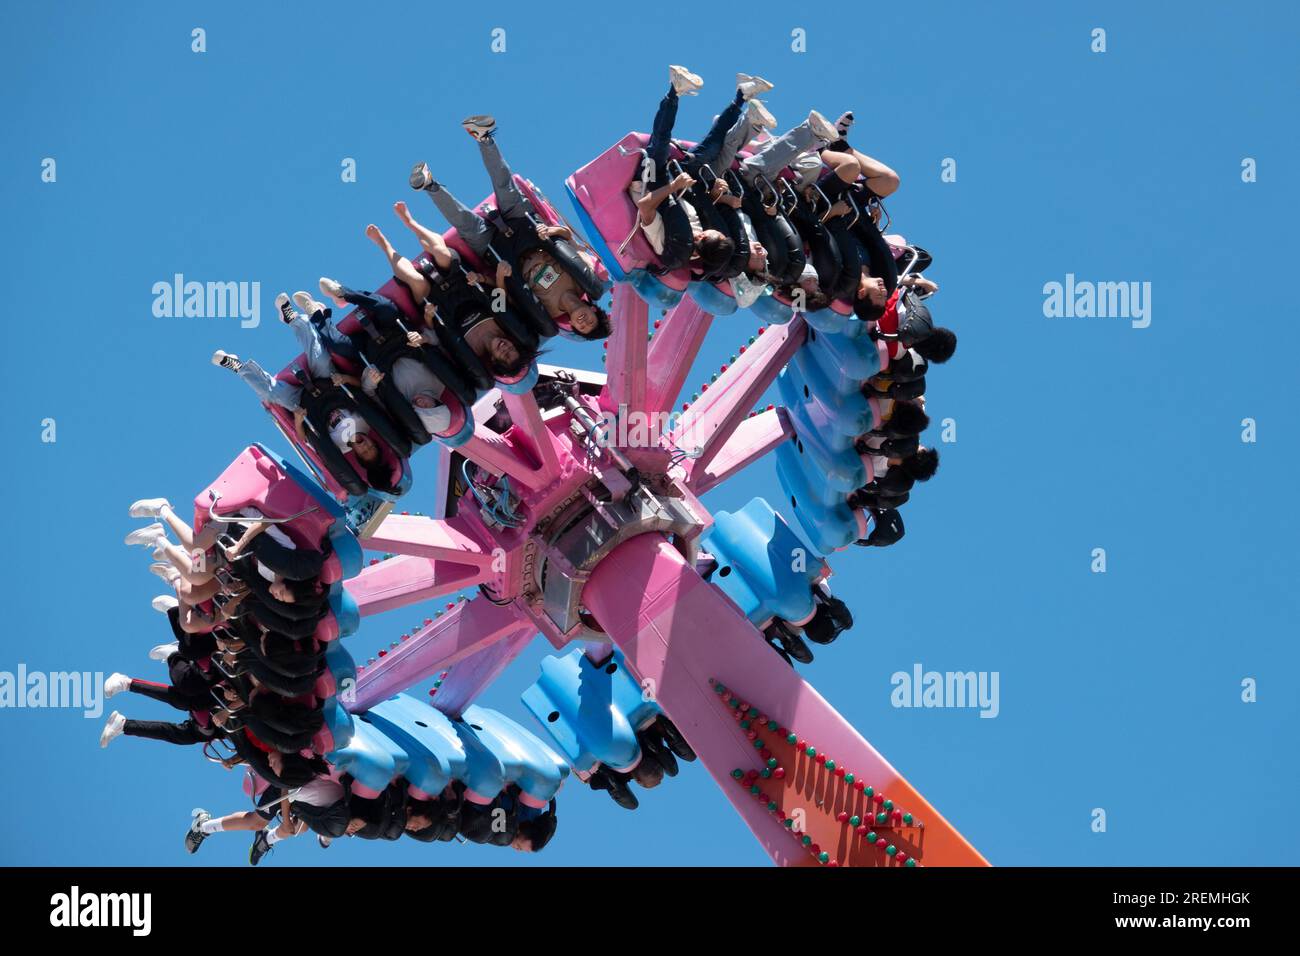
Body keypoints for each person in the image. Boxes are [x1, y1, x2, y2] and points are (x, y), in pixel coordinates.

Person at [410, 122, 610, 339]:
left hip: (501, 253)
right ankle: (484, 137)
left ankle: (429, 184)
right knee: (505, 186)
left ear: (572, 325)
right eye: (591, 320)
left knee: (464, 222)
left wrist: (496, 277)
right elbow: (570, 238)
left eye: (583, 327)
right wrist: (552, 232)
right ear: (593, 309)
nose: (584, 322)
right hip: (529, 229)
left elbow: (505, 300)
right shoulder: (584, 280)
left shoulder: (547, 314)